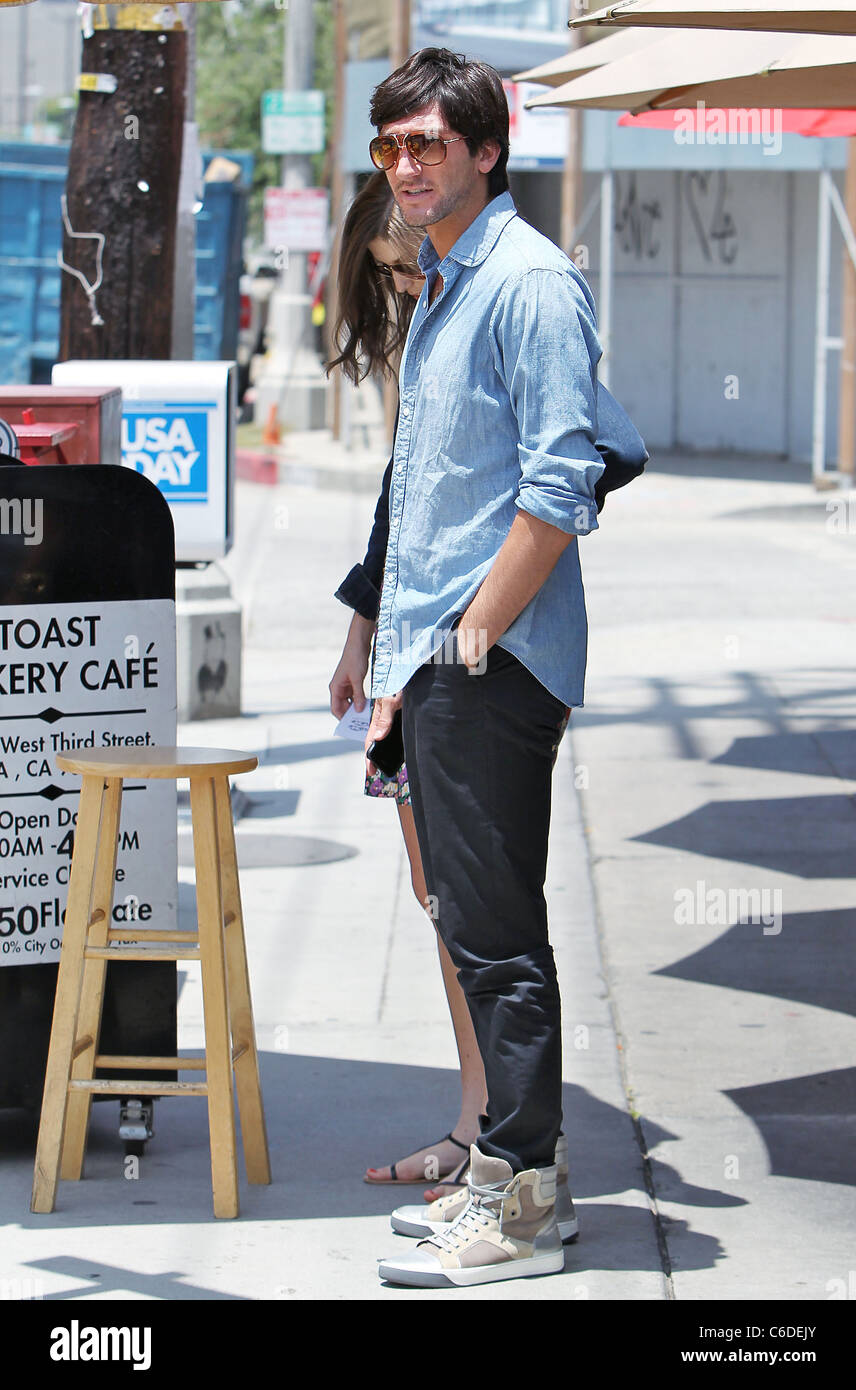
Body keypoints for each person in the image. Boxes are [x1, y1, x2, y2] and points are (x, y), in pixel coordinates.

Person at [361, 48, 647, 1289]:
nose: (404, 165)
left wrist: (472, 634)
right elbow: (430, 495)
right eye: (388, 147)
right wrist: (395, 659)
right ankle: (499, 1173)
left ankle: (525, 1204)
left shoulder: (527, 284)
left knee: (499, 942)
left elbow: (557, 482)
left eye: (426, 143)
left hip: (491, 657)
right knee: (471, 926)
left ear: (485, 150)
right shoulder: (445, 282)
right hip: (440, 656)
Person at [328, 173, 487, 1200]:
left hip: (459, 663)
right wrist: (360, 631)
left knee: (475, 910)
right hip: (399, 662)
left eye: (408, 260)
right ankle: (476, 1118)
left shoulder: (496, 303)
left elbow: (592, 456)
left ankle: (495, 1134)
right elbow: (402, 498)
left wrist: (479, 619)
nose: (400, 283)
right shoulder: (426, 329)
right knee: (438, 902)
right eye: (386, 271)